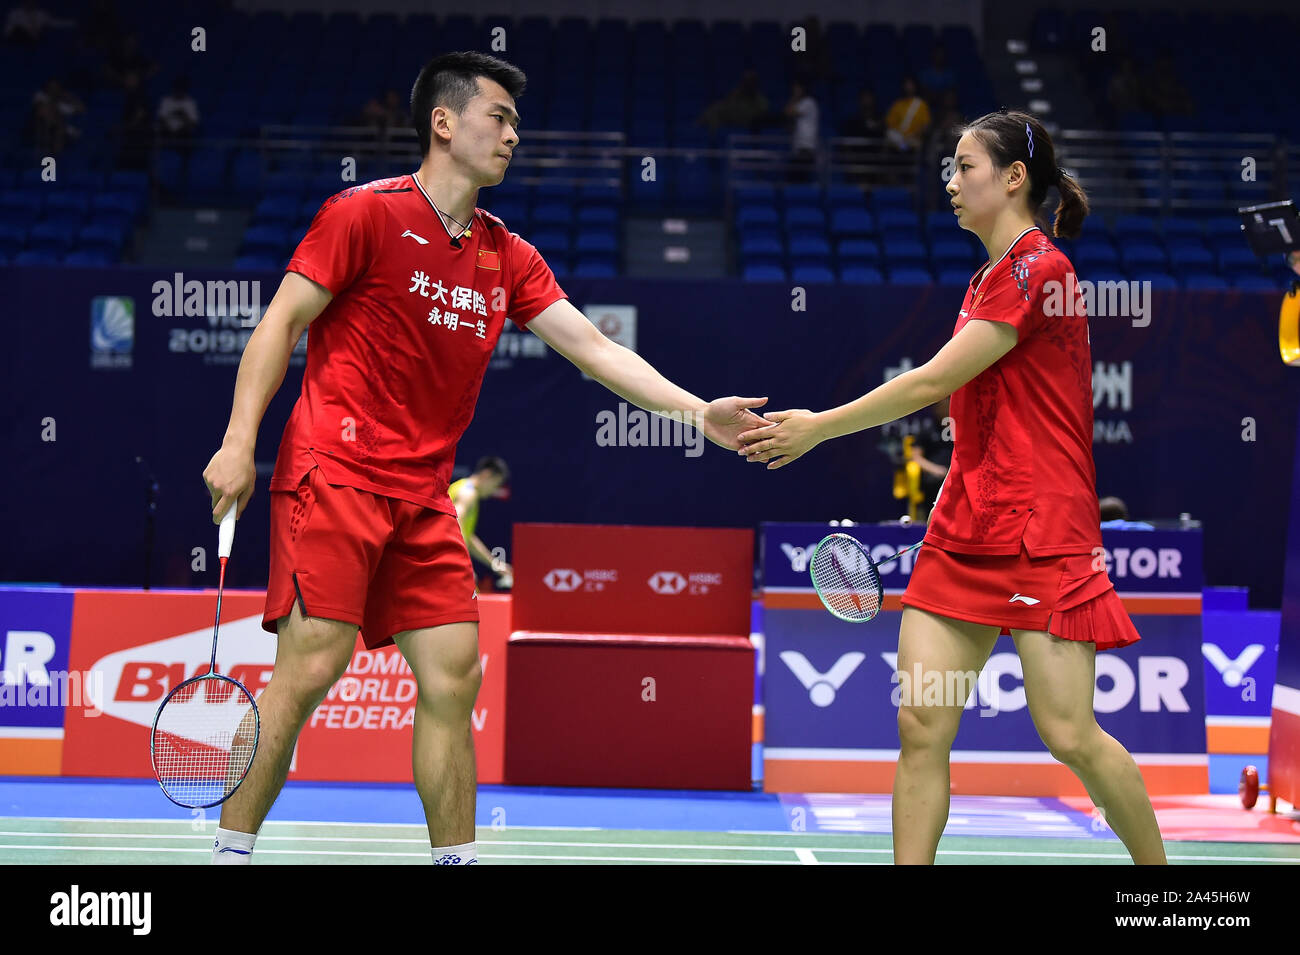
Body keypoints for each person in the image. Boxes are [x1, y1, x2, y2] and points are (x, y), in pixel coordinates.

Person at [201, 51, 767, 866]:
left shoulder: (509, 255)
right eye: (498, 118)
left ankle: (456, 859)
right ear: (444, 121)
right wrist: (236, 442)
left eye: (514, 124)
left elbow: (595, 347)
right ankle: (232, 851)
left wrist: (696, 412)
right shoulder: (363, 214)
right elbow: (279, 323)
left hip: (425, 497)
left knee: (453, 678)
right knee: (311, 667)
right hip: (337, 471)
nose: (512, 136)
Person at [737, 109, 1167, 865]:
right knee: (920, 726)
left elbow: (932, 380)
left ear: (1013, 178)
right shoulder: (987, 277)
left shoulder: (1042, 268)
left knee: (1070, 734)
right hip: (966, 527)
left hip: (1042, 531)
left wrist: (817, 427)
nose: (951, 181)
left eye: (964, 166)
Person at [448, 456, 513, 585]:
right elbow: (456, 528)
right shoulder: (468, 494)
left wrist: (497, 566)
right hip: (447, 561)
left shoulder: (465, 489)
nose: (494, 490)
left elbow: (467, 536)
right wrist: (463, 565)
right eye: (496, 484)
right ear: (486, 475)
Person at [696, 69, 769, 133]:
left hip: (747, 129)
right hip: (731, 124)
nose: (748, 85)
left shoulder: (761, 101)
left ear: (755, 84)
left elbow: (759, 118)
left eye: (751, 82)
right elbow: (725, 108)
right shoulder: (735, 95)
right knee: (713, 112)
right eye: (746, 82)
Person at [783, 77, 820, 183]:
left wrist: (793, 98)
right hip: (798, 149)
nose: (795, 90)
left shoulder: (809, 102)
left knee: (796, 176)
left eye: (797, 88)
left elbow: (788, 112)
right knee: (796, 179)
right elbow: (789, 124)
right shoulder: (799, 105)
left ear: (803, 89)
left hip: (807, 149)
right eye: (794, 88)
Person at [884, 76, 931, 153]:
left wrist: (913, 135)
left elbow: (925, 125)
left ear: (915, 86)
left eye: (910, 84)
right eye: (906, 84)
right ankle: (903, 148)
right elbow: (889, 124)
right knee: (889, 134)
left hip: (914, 138)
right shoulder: (897, 104)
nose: (908, 87)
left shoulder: (921, 105)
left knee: (917, 143)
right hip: (899, 138)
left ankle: (903, 148)